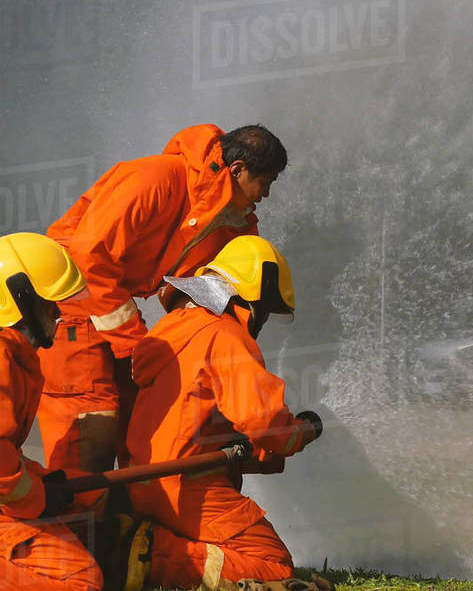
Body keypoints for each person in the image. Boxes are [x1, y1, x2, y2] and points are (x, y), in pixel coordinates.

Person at [40, 124, 288, 474]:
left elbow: (197, 290)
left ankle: (127, 519)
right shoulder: (155, 178)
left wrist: (211, 352)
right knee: (91, 435)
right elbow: (88, 259)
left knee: (142, 423)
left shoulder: (232, 223)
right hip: (67, 305)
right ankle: (74, 523)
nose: (266, 195)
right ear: (237, 170)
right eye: (266, 182)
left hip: (113, 307)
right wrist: (134, 343)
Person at [120, 235, 321, 589]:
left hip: (145, 483)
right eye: (267, 309)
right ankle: (152, 554)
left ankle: (143, 538)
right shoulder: (224, 336)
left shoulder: (173, 330)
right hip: (188, 486)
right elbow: (264, 421)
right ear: (254, 297)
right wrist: (299, 433)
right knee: (272, 564)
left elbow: (204, 421)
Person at [0, 232, 100, 589]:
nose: (58, 313)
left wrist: (43, 481)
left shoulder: (14, 355)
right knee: (79, 581)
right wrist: (40, 498)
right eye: (49, 303)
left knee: (86, 503)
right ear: (21, 298)